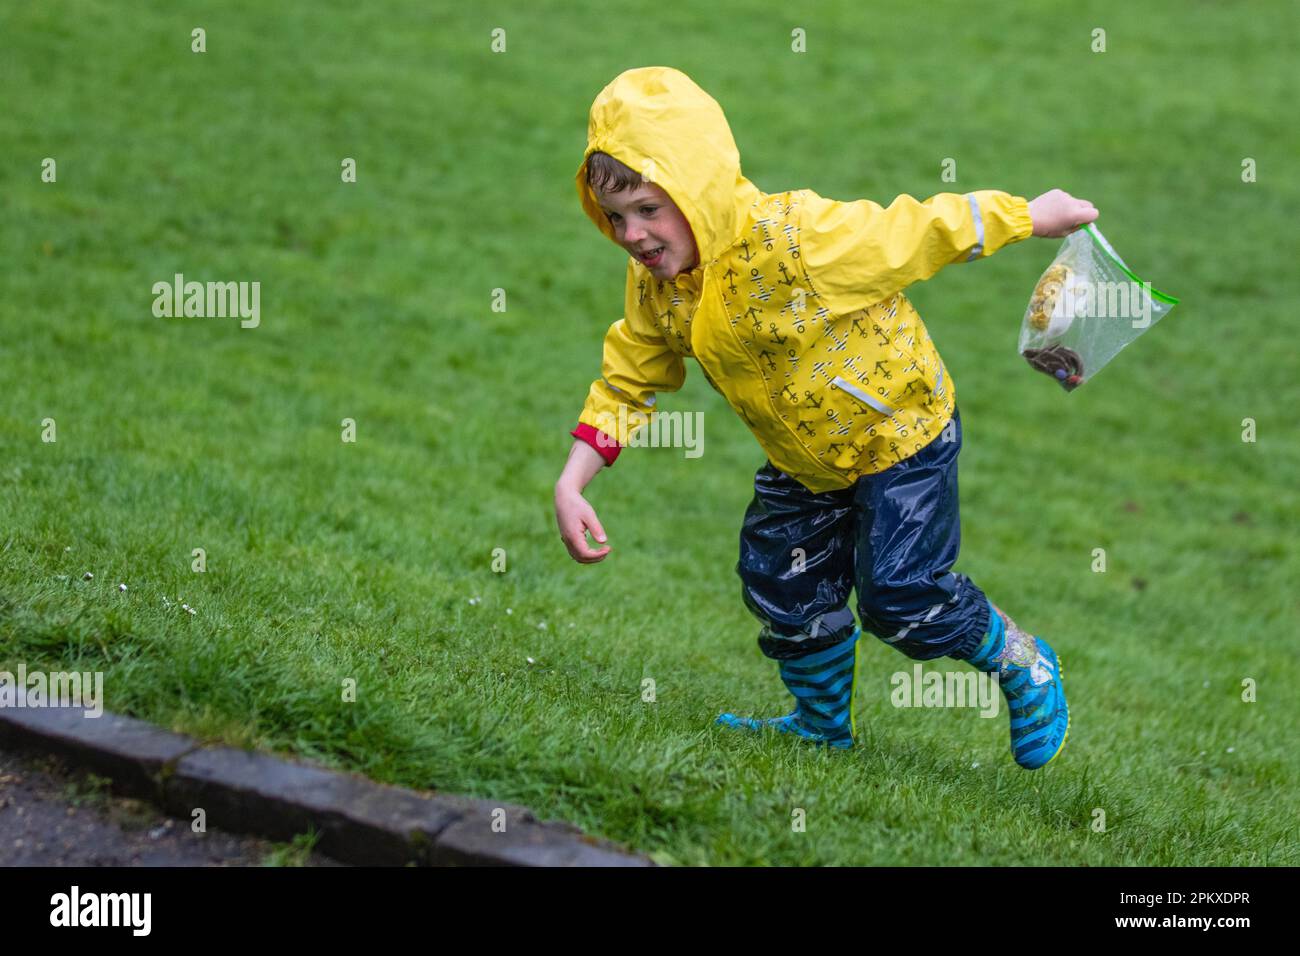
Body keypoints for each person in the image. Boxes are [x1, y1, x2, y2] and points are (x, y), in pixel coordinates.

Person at [554, 66, 1096, 769]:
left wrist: (1026, 215)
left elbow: (917, 231)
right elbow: (630, 375)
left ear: (698, 188)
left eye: (650, 209)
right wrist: (574, 482)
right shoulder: (659, 287)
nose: (633, 234)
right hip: (804, 461)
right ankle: (820, 727)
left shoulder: (798, 239)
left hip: (902, 435)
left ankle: (1025, 663)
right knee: (781, 579)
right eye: (617, 217)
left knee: (901, 597)